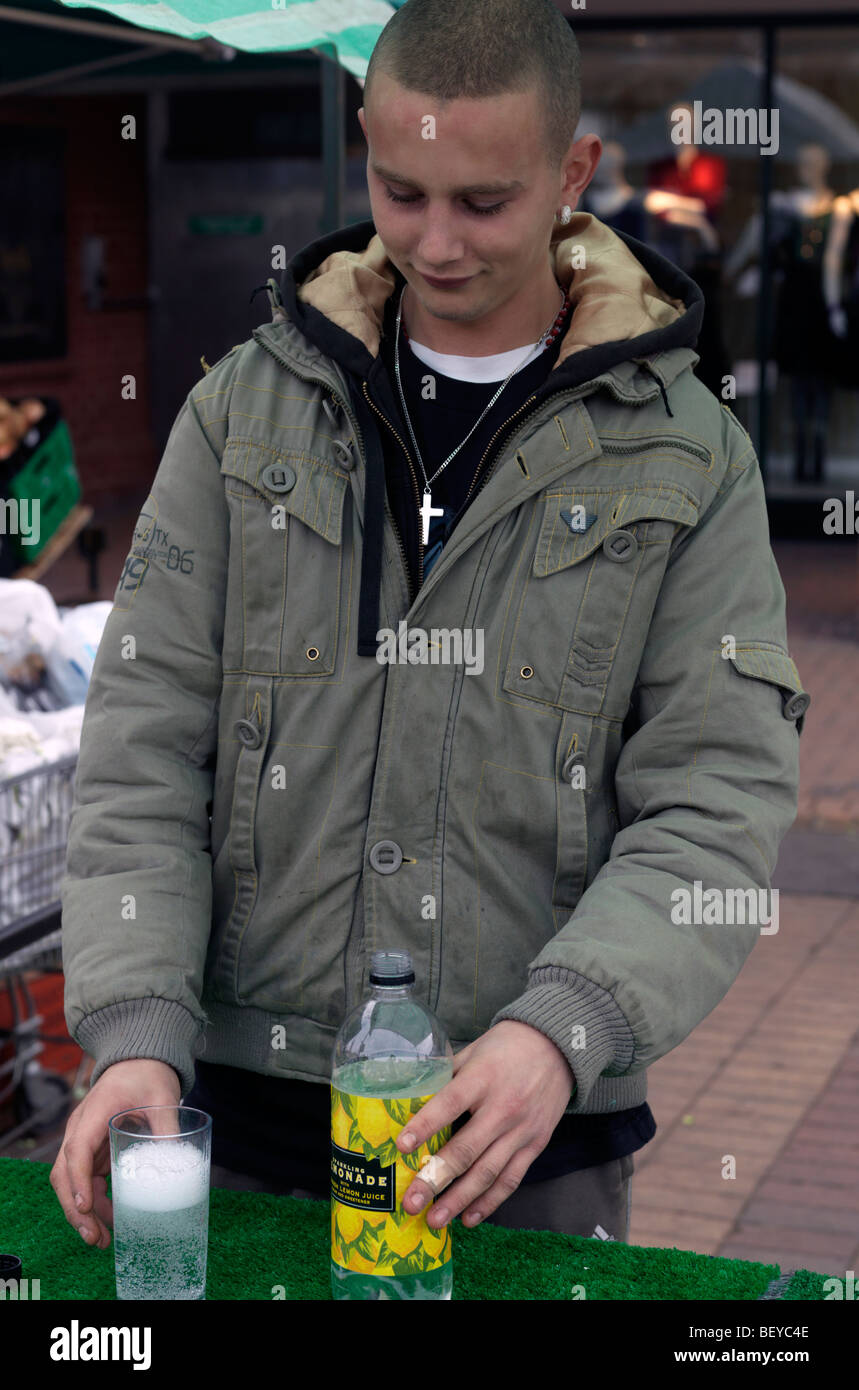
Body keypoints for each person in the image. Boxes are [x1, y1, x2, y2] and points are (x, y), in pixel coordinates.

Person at [52, 0, 809, 1257]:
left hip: (516, 1143)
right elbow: (143, 745)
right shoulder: (239, 413)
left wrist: (563, 1024)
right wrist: (134, 1031)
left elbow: (716, 801)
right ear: (363, 143)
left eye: (483, 202)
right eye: (401, 191)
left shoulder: (691, 456)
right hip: (230, 1122)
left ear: (574, 172)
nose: (436, 242)